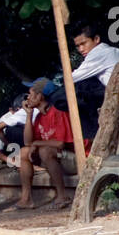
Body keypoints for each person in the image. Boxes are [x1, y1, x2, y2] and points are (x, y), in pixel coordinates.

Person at [67, 17, 119, 136]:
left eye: (84, 43)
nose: (81, 49)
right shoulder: (115, 51)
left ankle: (91, 135)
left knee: (78, 87)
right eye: (78, 46)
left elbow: (70, 79)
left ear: (96, 39)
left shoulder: (98, 53)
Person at [16, 77, 76, 210]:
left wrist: (37, 143)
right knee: (23, 152)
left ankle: (62, 196)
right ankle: (26, 199)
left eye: (31, 94)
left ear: (40, 96)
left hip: (75, 159)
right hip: (57, 159)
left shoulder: (58, 111)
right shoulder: (39, 117)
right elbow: (27, 142)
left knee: (45, 150)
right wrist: (28, 115)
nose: (27, 98)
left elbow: (60, 143)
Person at [0, 94, 32, 164]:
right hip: (12, 150)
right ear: (11, 111)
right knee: (14, 131)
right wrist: (13, 162)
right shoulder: (4, 120)